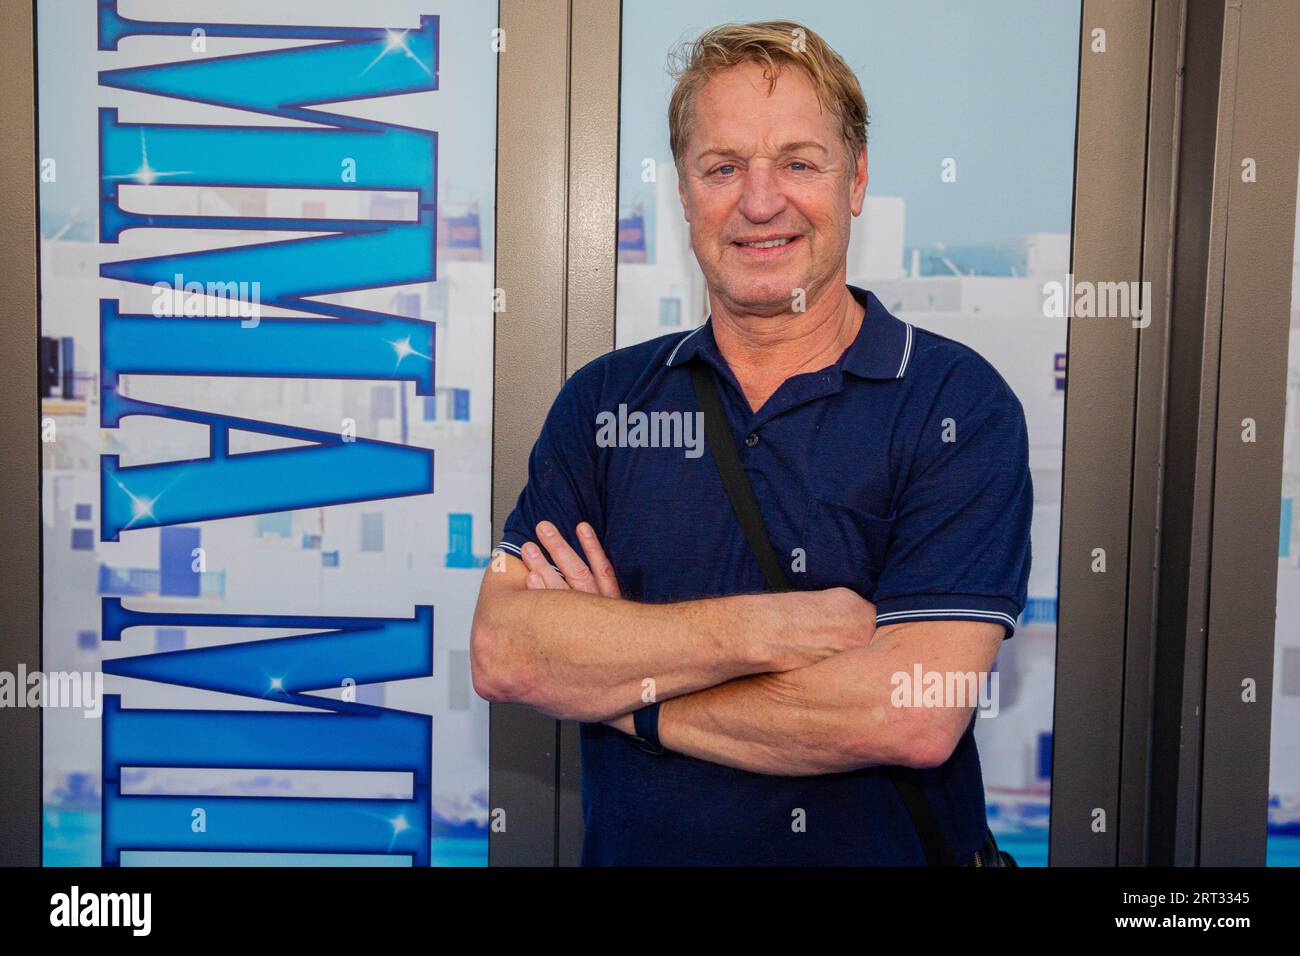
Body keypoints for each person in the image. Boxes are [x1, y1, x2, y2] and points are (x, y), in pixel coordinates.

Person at [471, 19, 1032, 865]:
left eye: (799, 163)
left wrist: (625, 687)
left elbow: (911, 710)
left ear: (856, 180)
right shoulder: (603, 403)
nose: (760, 201)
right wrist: (772, 629)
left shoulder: (957, 405)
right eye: (723, 167)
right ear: (686, 191)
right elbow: (506, 649)